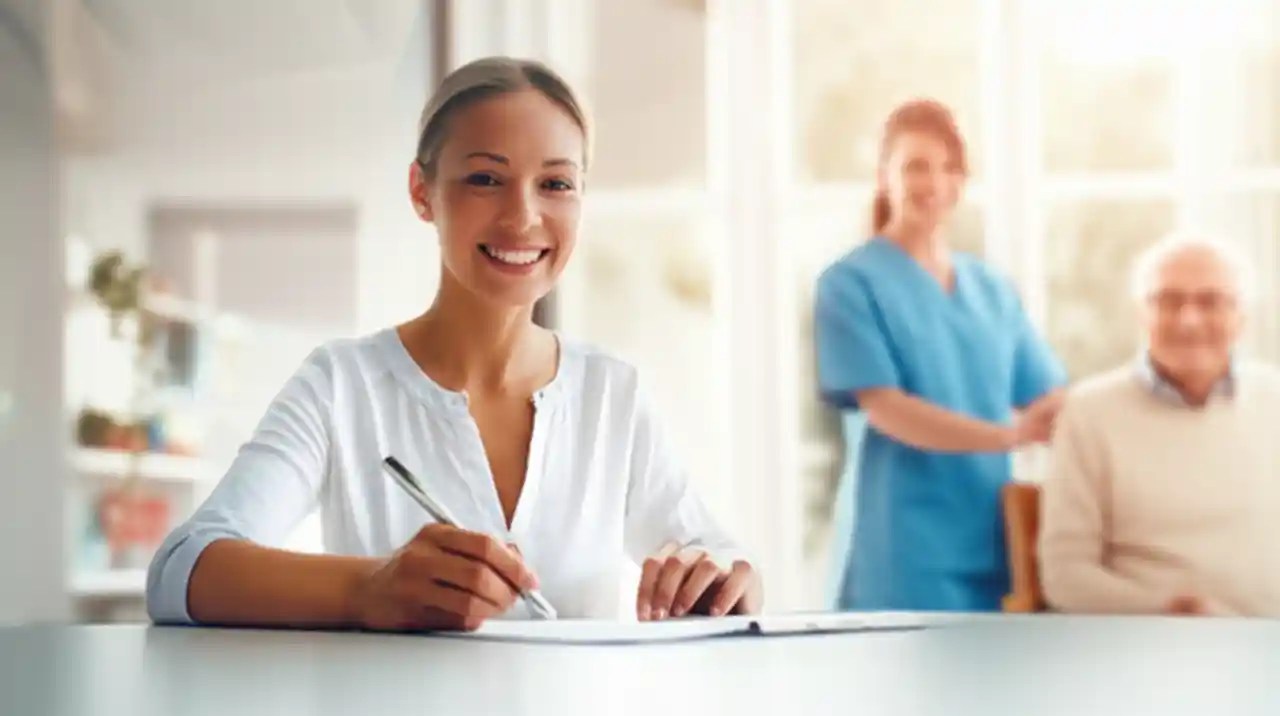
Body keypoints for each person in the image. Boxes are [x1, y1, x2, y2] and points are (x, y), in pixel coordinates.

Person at [146, 57, 761, 631]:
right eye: (486, 178)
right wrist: (370, 588)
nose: (523, 218)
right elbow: (180, 571)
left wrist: (719, 584)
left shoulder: (612, 393)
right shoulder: (342, 385)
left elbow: (722, 563)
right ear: (423, 192)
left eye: (555, 184)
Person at [814, 99, 1066, 612]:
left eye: (948, 168)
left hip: (991, 539)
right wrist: (1008, 436)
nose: (933, 182)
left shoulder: (990, 289)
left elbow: (1050, 397)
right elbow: (887, 410)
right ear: (884, 177)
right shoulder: (849, 285)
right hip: (903, 547)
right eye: (915, 166)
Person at [1040, 233, 1280, 617]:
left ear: (1242, 316)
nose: (1188, 319)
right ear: (1141, 313)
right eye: (1168, 301)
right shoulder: (1089, 411)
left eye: (1210, 301)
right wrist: (1167, 610)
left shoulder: (1273, 398)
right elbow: (1065, 577)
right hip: (1150, 644)